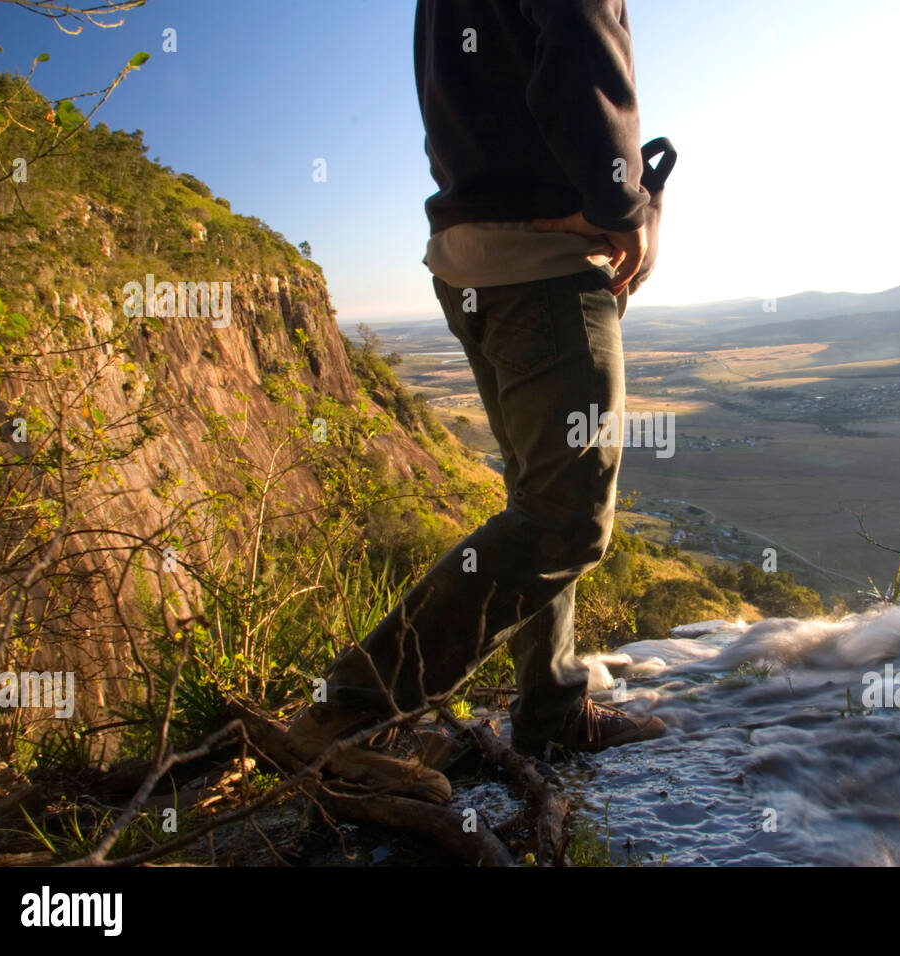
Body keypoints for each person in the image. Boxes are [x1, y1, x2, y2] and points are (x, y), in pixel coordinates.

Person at [284, 0, 666, 805]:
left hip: (471, 258)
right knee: (566, 516)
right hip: (542, 266)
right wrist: (622, 206)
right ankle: (349, 706)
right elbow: (577, 45)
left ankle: (553, 709)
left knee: (534, 496)